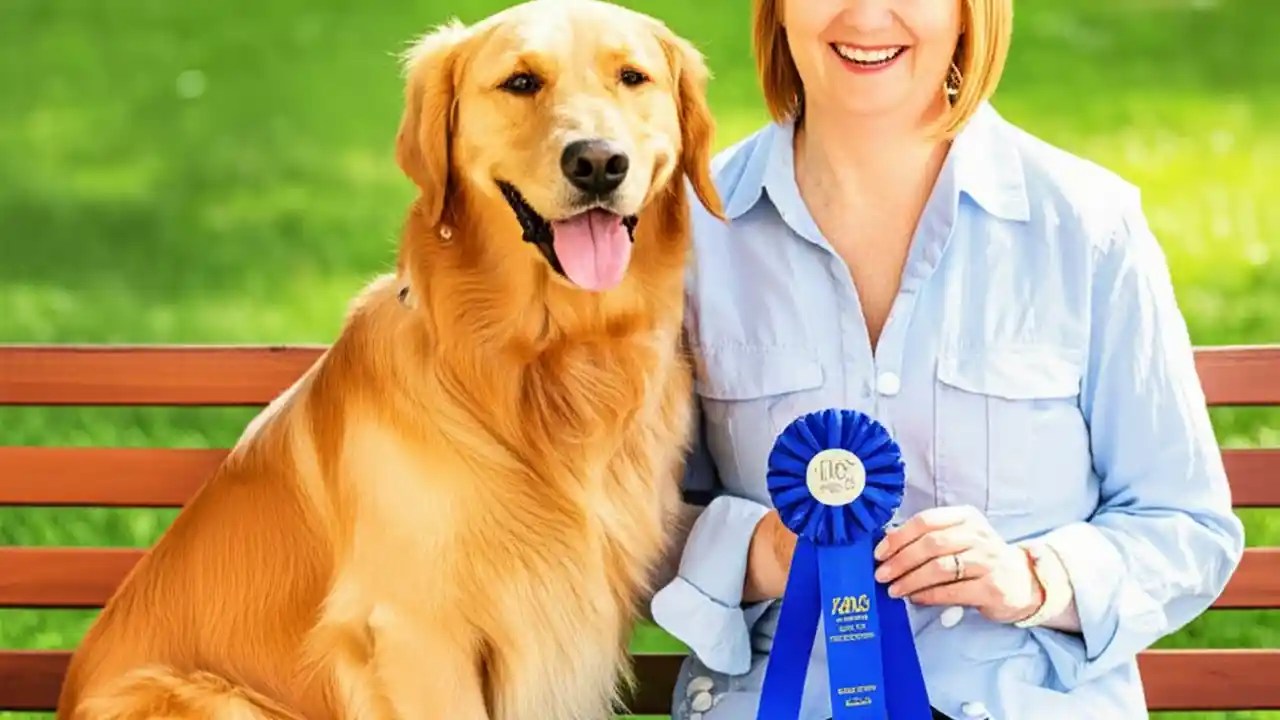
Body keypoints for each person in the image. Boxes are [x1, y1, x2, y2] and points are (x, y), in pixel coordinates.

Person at [647, 0, 1246, 718]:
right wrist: (755, 554)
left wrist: (1034, 578)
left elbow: (1186, 524)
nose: (868, 15)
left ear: (971, 12)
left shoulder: (1087, 227)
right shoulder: (681, 239)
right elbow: (614, 526)